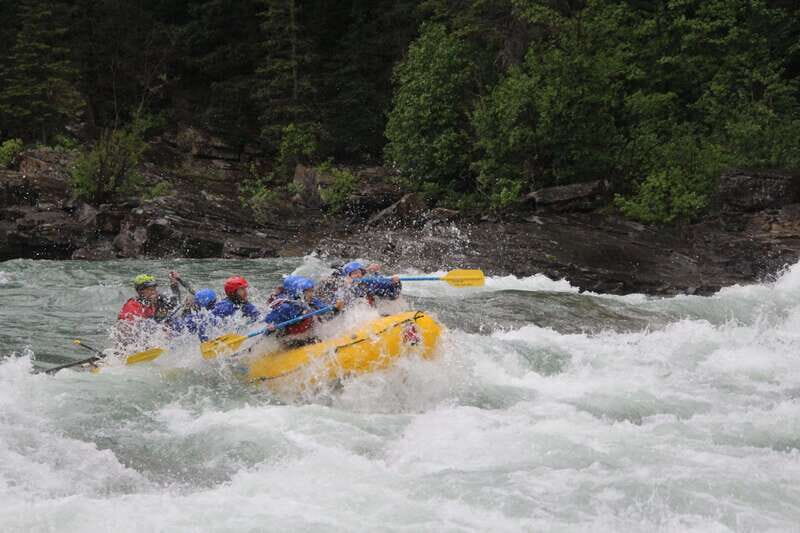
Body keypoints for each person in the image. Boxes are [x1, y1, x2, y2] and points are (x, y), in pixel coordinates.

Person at [263, 276, 335, 348]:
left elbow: (328, 311)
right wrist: (271, 327)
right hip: (289, 339)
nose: (312, 294)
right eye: (309, 291)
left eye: (312, 290)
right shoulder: (285, 308)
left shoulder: (311, 300)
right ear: (298, 294)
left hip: (306, 333)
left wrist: (336, 308)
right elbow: (268, 325)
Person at [325, 261, 402, 308]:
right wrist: (346, 286)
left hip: (372, 315)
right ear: (348, 276)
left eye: (360, 273)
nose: (358, 275)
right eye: (355, 273)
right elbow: (337, 304)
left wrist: (396, 283)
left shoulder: (368, 283)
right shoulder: (341, 287)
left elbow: (393, 295)